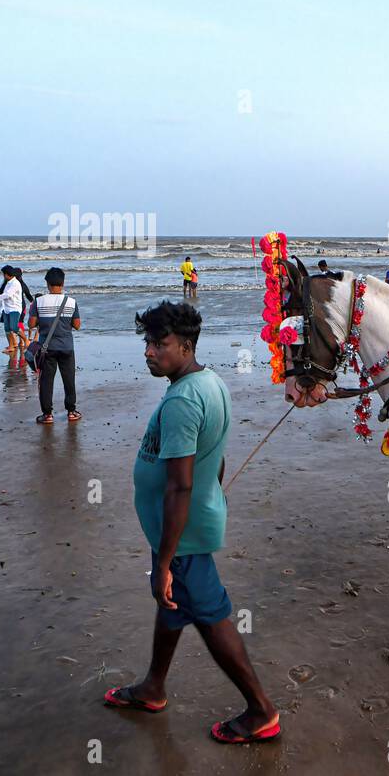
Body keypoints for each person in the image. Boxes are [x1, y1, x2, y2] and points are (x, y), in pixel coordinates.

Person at [111, 301, 280, 745]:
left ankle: (261, 710)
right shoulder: (209, 381)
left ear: (185, 346)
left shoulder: (183, 401)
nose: (149, 351)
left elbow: (179, 488)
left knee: (212, 616)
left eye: (159, 344)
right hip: (184, 525)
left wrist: (165, 561)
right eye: (147, 342)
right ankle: (152, 686)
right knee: (173, 605)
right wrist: (213, 488)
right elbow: (217, 455)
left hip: (181, 534)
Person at [28, 267, 82, 424]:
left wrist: (42, 320)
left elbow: (31, 324)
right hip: (66, 347)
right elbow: (77, 325)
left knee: (46, 381)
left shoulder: (39, 301)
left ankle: (47, 414)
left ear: (47, 283)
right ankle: (71, 411)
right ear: (63, 283)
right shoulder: (71, 302)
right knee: (69, 380)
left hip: (47, 348)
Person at [0, 266, 24, 354]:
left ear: (7, 274)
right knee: (7, 328)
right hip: (6, 308)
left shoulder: (15, 283)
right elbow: (4, 293)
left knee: (14, 327)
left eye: (3, 274)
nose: (3, 276)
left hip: (14, 308)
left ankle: (26, 340)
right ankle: (11, 346)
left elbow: (8, 294)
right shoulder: (8, 282)